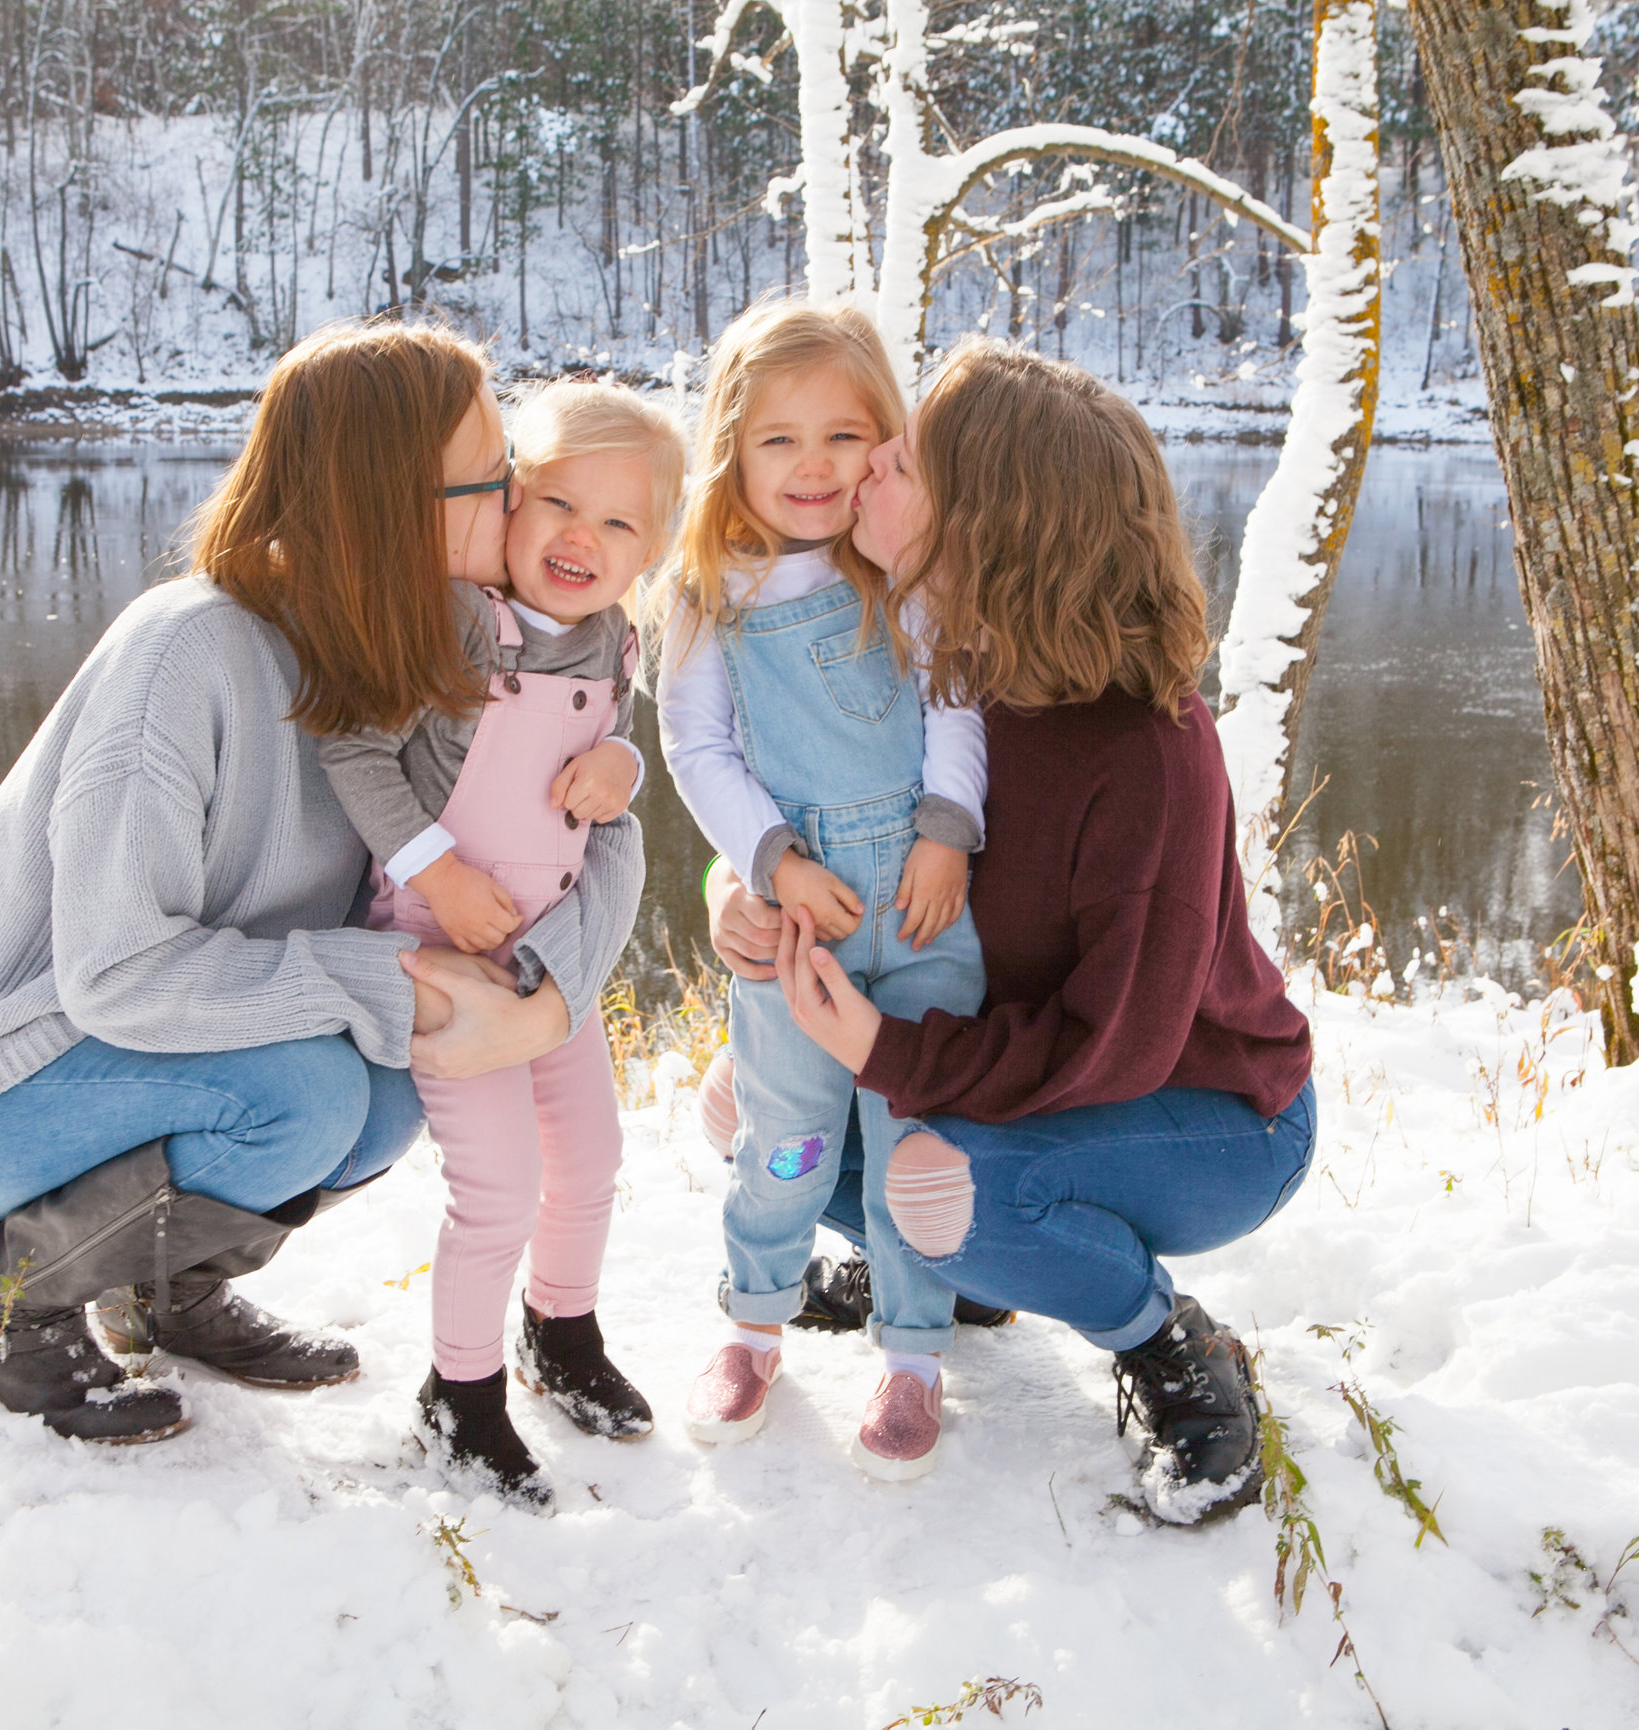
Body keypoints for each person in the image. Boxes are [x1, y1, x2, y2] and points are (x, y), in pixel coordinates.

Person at [0, 321, 641, 1446]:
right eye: (496, 476)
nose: (523, 499)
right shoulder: (187, 659)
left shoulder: (437, 650)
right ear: (395, 505)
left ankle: (165, 1287)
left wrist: (550, 994)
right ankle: (0, 1300)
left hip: (163, 1037)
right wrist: (396, 975)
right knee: (312, 1094)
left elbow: (605, 832)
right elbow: (118, 973)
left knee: (387, 1088)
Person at [710, 338, 1317, 1523]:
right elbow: (801, 807)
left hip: (1206, 1114)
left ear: (993, 528)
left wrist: (889, 1053)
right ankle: (956, 1278)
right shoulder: (936, 661)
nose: (866, 469)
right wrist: (745, 897)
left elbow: (1119, 1048)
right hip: (1039, 1084)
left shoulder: (1147, 753)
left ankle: (1169, 1347)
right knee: (760, 1118)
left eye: (904, 462)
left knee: (946, 1191)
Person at [317, 382, 685, 1507]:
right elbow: (353, 751)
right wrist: (436, 868)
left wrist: (623, 765)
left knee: (589, 1158)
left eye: (620, 524)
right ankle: (460, 1394)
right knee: (499, 1187)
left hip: (547, 955)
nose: (583, 537)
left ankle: (559, 1330)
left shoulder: (616, 640)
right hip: (440, 952)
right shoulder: (456, 619)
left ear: (650, 555)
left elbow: (607, 747)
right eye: (559, 502)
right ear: (509, 502)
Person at [656, 299, 988, 1481]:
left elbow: (956, 692)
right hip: (798, 900)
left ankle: (912, 1355)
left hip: (922, 892)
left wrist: (948, 830)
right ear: (732, 451)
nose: (812, 467)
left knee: (916, 1130)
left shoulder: (906, 565)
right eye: (778, 440)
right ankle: (754, 1322)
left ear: (886, 443)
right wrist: (773, 862)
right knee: (786, 1131)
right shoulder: (711, 587)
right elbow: (697, 751)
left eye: (844, 436)